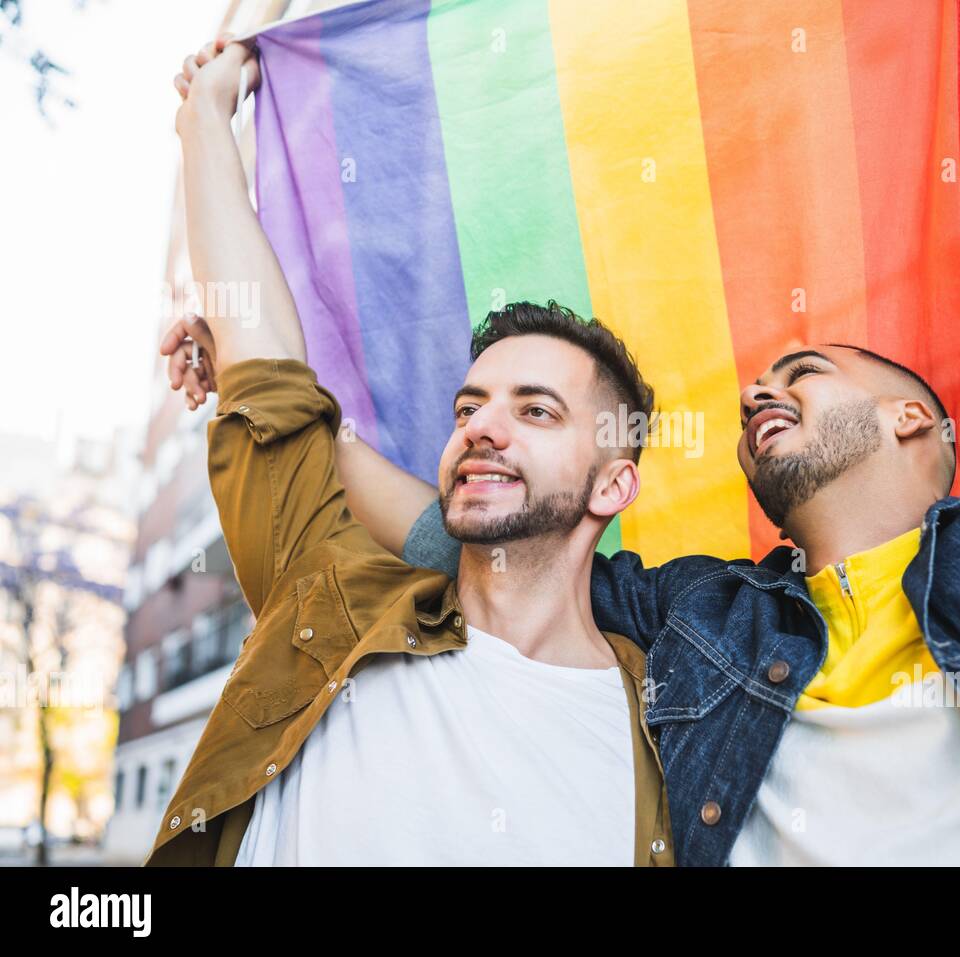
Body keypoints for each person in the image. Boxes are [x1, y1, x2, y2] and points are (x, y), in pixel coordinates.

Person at [171, 2, 960, 866]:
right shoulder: (695, 624)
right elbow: (468, 522)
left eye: (803, 371)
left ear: (918, 418)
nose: (763, 388)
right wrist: (242, 354)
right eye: (760, 382)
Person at [144, 37, 672, 865]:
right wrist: (207, 114)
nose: (481, 426)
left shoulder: (678, 719)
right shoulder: (330, 587)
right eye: (469, 406)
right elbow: (271, 373)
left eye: (536, 410)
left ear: (615, 483)